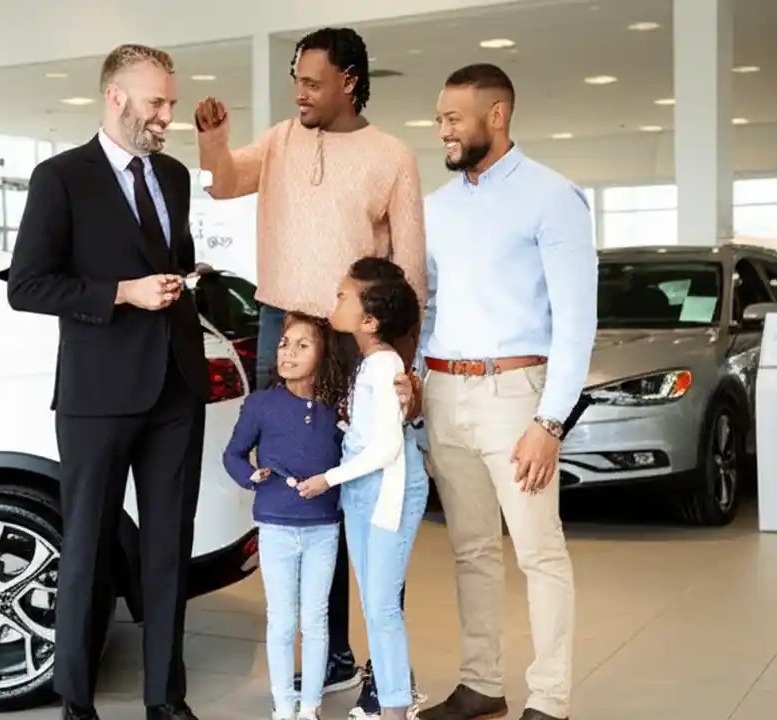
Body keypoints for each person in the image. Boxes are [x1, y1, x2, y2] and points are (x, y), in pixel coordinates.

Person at [195, 27, 428, 715]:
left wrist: (402, 368)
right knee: (305, 491)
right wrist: (212, 137)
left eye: (313, 81)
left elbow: (409, 274)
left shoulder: (391, 156)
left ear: (350, 80)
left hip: (358, 336)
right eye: (296, 77)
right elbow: (225, 181)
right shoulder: (279, 140)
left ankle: (387, 673)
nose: (300, 91)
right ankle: (330, 657)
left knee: (370, 494)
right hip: (284, 329)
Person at [6, 43, 208, 720]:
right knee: (88, 553)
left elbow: (170, 261)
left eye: (171, 103)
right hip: (97, 395)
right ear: (115, 97)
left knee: (168, 554)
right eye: (157, 103)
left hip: (176, 389)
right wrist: (123, 291)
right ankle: (76, 703)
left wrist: (179, 285)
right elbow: (28, 286)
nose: (166, 116)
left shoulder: (174, 176)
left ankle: (165, 700)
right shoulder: (60, 178)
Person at [417, 63, 597, 720]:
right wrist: (413, 377)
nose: (442, 130)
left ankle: (548, 699)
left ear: (497, 116)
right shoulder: (434, 208)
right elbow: (429, 306)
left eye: (453, 118)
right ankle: (482, 683)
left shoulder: (554, 198)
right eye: (439, 119)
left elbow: (577, 321)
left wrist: (550, 421)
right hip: (444, 391)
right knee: (469, 548)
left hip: (517, 395)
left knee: (538, 552)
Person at [297, 258, 429, 720]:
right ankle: (394, 702)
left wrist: (326, 479)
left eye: (342, 297)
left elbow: (387, 450)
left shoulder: (384, 365)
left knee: (382, 607)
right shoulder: (371, 362)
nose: (334, 302)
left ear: (369, 321)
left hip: (386, 489)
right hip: (363, 491)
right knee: (376, 607)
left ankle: (395, 707)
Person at [223, 312, 350, 720]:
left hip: (323, 527)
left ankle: (310, 706)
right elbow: (233, 453)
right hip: (275, 525)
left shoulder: (337, 407)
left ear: (323, 354)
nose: (288, 353)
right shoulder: (261, 405)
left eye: (302, 345)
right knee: (281, 620)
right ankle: (283, 707)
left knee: (315, 619)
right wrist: (250, 475)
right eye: (283, 344)